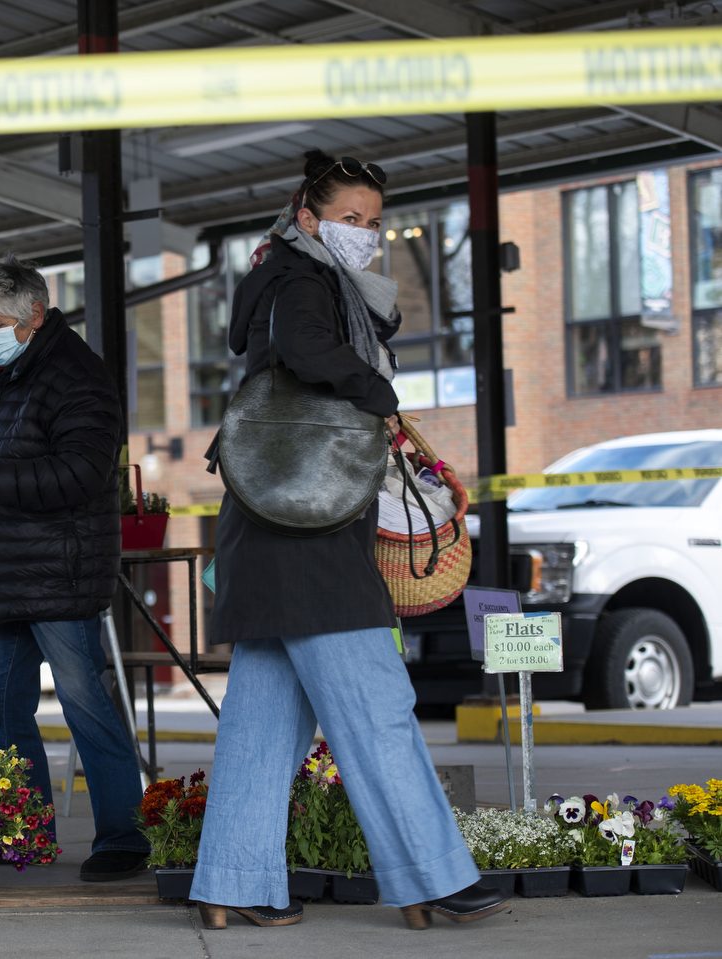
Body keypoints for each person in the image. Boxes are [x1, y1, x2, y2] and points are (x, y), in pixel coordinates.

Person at [188, 150, 509, 930]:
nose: (364, 233)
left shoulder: (276, 276)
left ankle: (234, 880)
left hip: (264, 538)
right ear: (308, 218)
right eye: (348, 219)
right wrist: (379, 393)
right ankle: (432, 876)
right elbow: (307, 350)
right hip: (315, 545)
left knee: (261, 726)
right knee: (377, 708)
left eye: (372, 221)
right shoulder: (305, 280)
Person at [0, 254, 150, 882]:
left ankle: (124, 836)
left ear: (35, 315)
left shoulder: (79, 377)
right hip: (6, 570)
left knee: (84, 703)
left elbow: (81, 473)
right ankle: (22, 830)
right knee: (2, 704)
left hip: (61, 572)